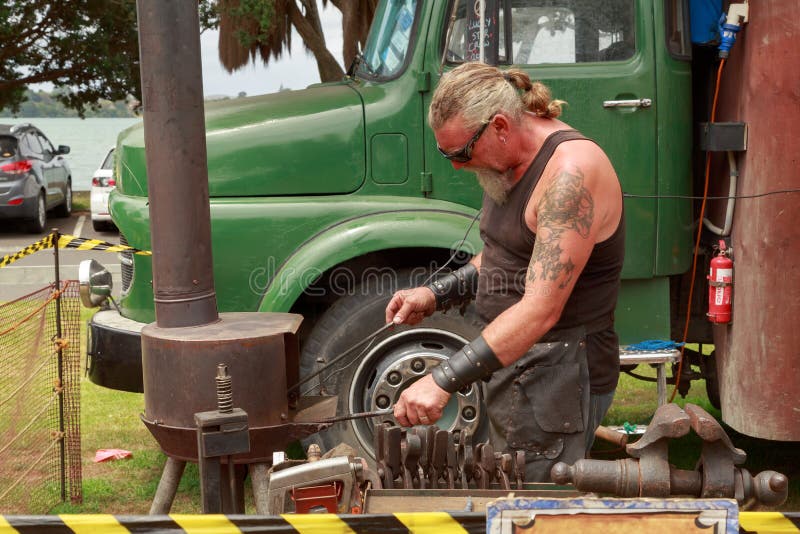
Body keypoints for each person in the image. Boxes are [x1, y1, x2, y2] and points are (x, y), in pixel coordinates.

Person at [385, 62, 625, 481]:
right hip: (521, 368)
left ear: (499, 126)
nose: (457, 167)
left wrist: (442, 381)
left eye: (461, 153)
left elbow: (539, 310)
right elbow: (505, 257)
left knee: (540, 511)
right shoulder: (508, 164)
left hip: (560, 377)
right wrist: (437, 294)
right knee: (510, 497)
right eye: (447, 155)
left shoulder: (569, 176)